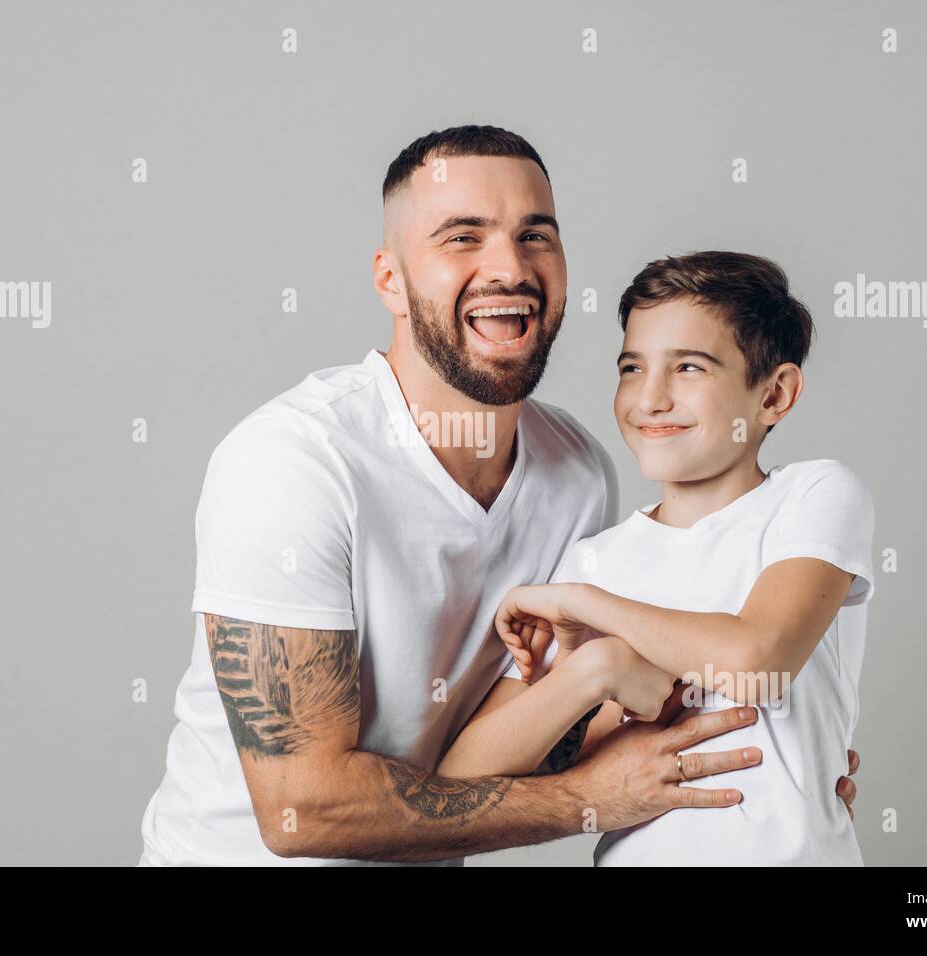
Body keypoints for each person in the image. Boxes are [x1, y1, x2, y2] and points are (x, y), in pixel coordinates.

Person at [138, 127, 859, 866]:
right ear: (390, 279)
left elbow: (557, 735)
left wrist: (777, 767)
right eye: (462, 237)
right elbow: (305, 811)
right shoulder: (294, 463)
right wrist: (591, 801)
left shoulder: (577, 473)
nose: (508, 267)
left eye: (534, 235)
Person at [440, 251, 872, 865]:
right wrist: (598, 670)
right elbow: (460, 782)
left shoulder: (811, 498)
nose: (650, 398)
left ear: (775, 394)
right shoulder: (596, 561)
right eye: (632, 367)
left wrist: (589, 607)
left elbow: (755, 659)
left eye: (690, 367)